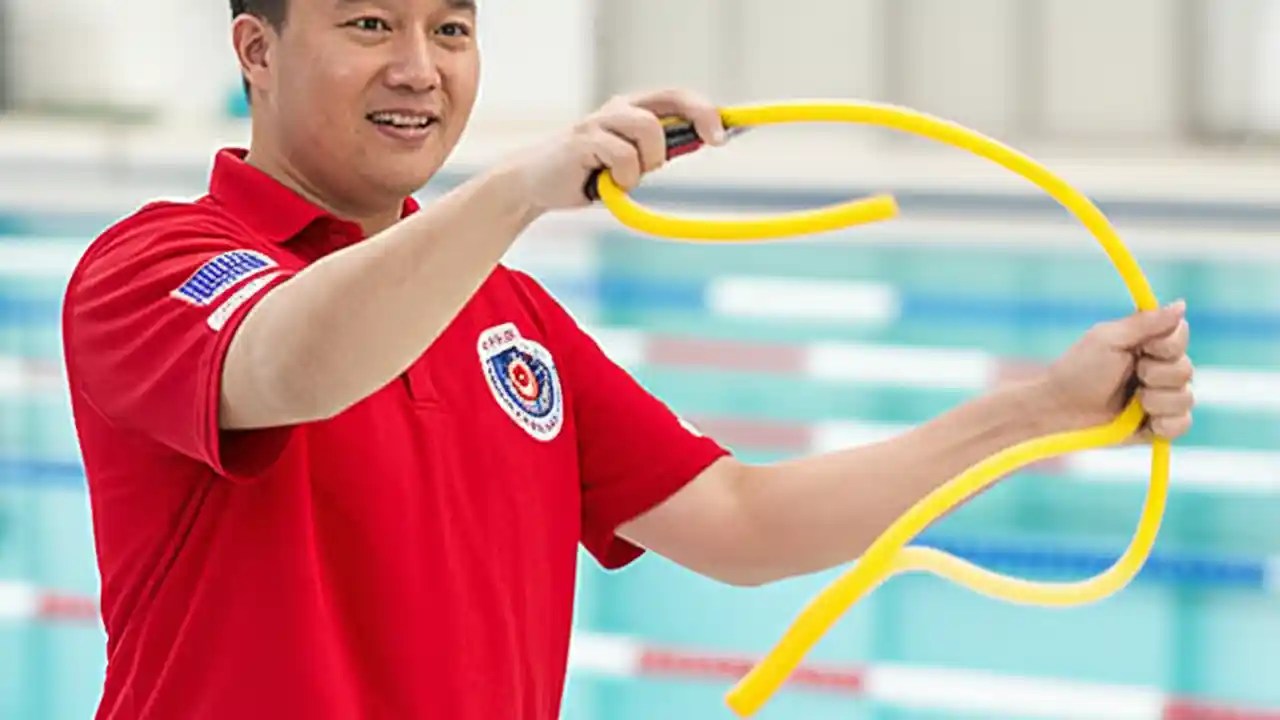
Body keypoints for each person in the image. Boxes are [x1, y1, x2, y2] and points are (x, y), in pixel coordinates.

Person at [59, 1, 1196, 718]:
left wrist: (1037, 412)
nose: (419, 68)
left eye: (450, 30)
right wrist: (512, 191)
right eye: (369, 27)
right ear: (256, 49)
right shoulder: (152, 265)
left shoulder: (512, 317)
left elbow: (742, 524)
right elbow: (294, 363)